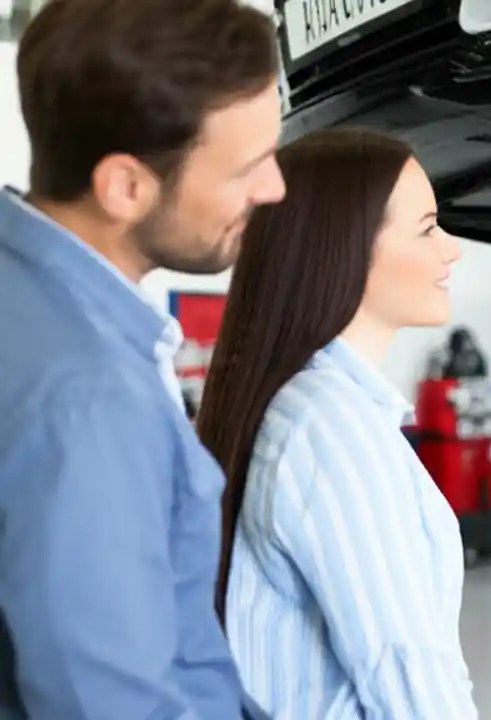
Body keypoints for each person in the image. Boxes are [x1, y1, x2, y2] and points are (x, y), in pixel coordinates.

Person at [0, 0, 285, 717]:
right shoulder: (86, 393)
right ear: (125, 187)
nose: (274, 188)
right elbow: (108, 698)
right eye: (247, 167)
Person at [196, 127, 477, 719]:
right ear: (344, 248)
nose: (452, 249)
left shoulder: (312, 408)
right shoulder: (329, 429)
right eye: (427, 228)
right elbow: (403, 665)